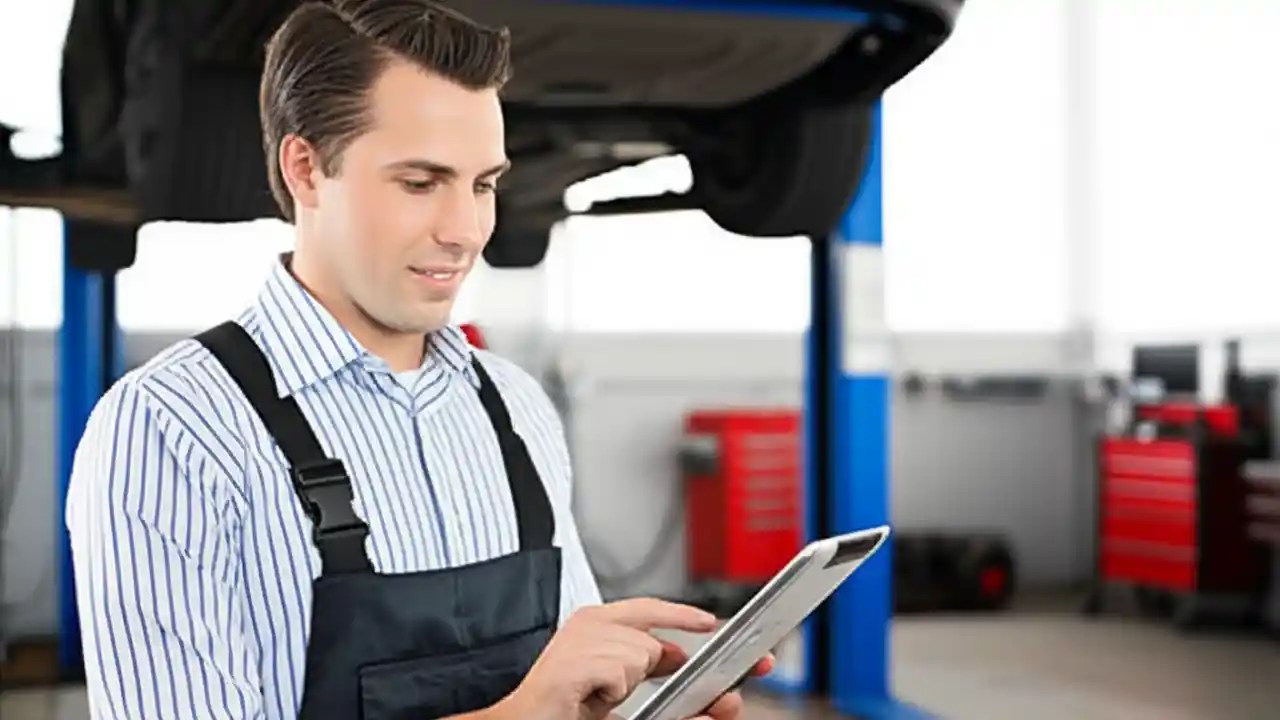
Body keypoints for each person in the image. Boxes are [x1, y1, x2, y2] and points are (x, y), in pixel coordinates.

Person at [64, 1, 769, 718]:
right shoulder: (173, 431)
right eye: (421, 183)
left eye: (483, 184)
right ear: (306, 170)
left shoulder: (515, 409)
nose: (466, 231)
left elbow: (564, 693)